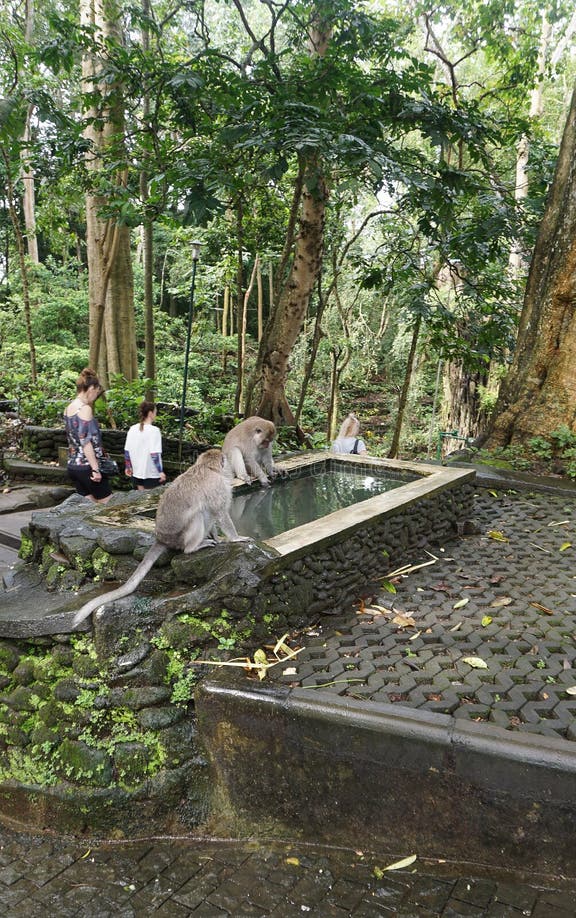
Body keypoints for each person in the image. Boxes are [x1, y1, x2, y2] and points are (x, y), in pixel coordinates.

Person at [64, 367, 112, 503]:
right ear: (91, 388)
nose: (97, 395)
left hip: (74, 465)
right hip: (87, 467)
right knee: (109, 508)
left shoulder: (69, 408)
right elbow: (85, 442)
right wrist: (95, 469)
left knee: (88, 510)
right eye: (97, 391)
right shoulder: (85, 409)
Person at [124, 401, 167, 491]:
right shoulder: (154, 430)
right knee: (152, 502)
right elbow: (154, 454)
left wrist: (128, 467)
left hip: (136, 472)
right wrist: (160, 471)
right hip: (151, 473)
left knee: (142, 501)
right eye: (155, 412)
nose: (156, 415)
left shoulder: (132, 429)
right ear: (150, 413)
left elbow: (127, 451)